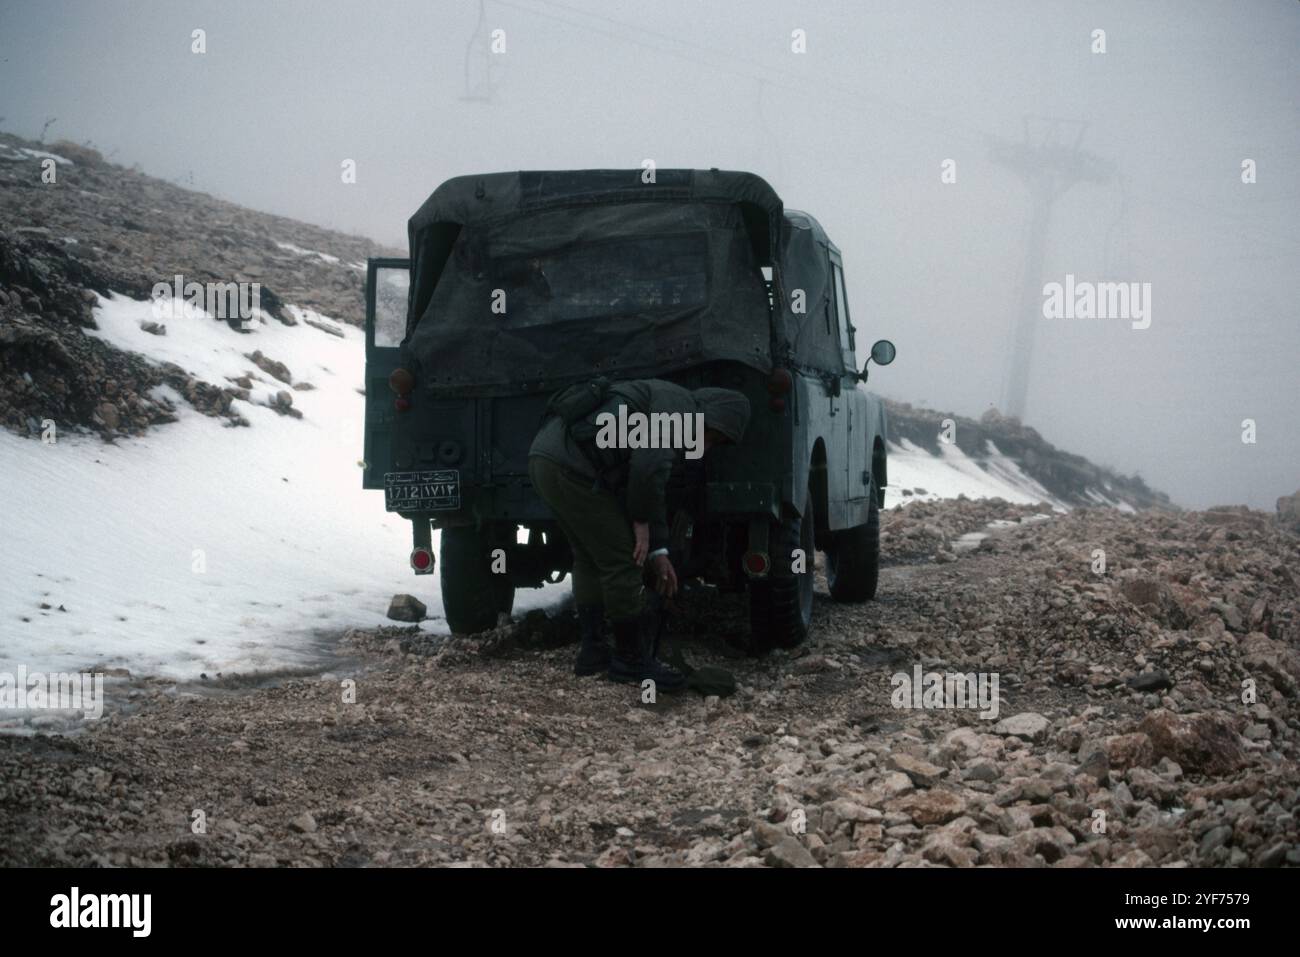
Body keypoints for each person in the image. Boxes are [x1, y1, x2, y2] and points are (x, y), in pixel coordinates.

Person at [528, 379, 750, 691]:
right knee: (623, 561)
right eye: (715, 437)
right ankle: (630, 661)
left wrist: (660, 550)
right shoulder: (682, 409)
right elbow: (648, 467)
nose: (709, 446)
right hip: (571, 466)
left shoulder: (667, 398)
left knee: (590, 558)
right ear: (714, 418)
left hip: (545, 458)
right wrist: (642, 523)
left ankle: (593, 651)